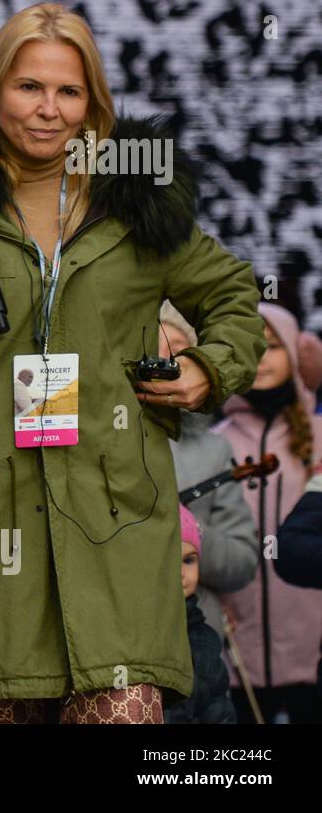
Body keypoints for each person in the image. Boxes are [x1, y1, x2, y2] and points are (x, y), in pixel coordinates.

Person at [0, 1, 265, 723]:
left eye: (69, 92)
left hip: (113, 534)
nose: (48, 110)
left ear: (92, 105)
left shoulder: (138, 202)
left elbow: (234, 294)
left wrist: (209, 369)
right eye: (28, 87)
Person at [213, 303, 322, 723]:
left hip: (311, 643)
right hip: (236, 648)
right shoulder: (216, 443)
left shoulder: (319, 435)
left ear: (297, 353)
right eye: (249, 346)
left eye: (272, 346)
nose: (260, 358)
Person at [159, 300, 257, 644]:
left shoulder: (214, 451)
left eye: (179, 349)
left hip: (196, 642)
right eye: (152, 350)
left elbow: (242, 563)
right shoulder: (96, 442)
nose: (166, 361)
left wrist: (190, 528)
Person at [163, 506, 236, 723]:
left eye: (189, 560)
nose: (181, 573)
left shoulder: (203, 636)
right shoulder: (134, 633)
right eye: (168, 560)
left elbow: (218, 708)